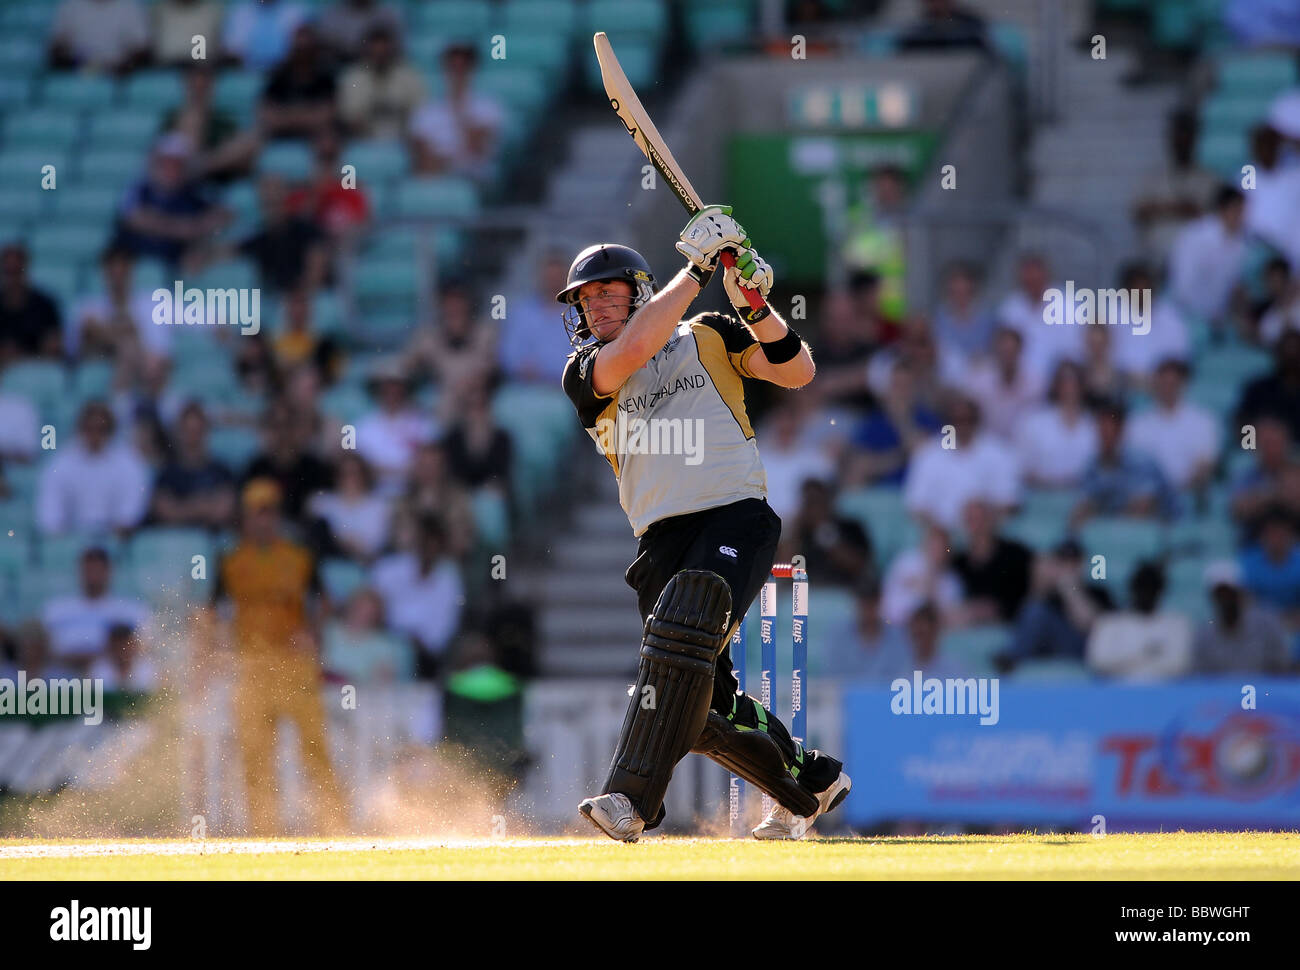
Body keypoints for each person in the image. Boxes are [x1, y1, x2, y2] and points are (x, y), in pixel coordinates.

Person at [557, 210, 850, 842]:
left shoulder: (710, 331)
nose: (596, 306)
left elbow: (797, 370)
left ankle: (628, 803)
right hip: (658, 538)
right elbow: (634, 348)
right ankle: (811, 781)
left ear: (639, 290)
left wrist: (752, 300)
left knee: (685, 630)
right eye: (586, 298)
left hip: (734, 515)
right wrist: (700, 268)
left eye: (609, 291)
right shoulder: (585, 371)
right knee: (699, 703)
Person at [214, 479, 346, 835]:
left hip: (294, 666)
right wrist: (215, 652)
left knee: (315, 749)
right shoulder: (230, 562)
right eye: (257, 513)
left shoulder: (299, 557)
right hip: (252, 667)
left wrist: (313, 633)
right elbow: (211, 611)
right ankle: (264, 832)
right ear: (246, 518)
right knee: (256, 757)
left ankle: (334, 827)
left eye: (269, 512)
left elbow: (326, 601)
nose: (263, 520)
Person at [36, 401, 152, 537]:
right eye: (89, 429)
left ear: (111, 431)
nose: (94, 435)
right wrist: (59, 534)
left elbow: (132, 507)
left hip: (115, 538)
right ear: (80, 430)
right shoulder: (61, 463)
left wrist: (121, 527)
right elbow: (49, 510)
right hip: (71, 538)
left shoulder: (130, 462)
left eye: (101, 429)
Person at [41, 547, 150, 678]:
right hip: (61, 679)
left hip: (111, 681)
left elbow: (142, 649)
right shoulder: (55, 610)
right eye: (88, 570)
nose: (93, 575)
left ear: (108, 572)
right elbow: (42, 650)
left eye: (97, 570)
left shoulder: (131, 611)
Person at [408, 42, 505, 182]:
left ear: (472, 70)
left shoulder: (489, 107)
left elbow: (476, 148)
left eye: (463, 68)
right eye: (452, 68)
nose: (457, 74)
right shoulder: (427, 110)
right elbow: (422, 156)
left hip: (473, 178)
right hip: (438, 175)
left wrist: (458, 106)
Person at [1086, 561, 1193, 681]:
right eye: (1142, 587)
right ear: (1132, 588)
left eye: (1152, 588)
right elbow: (1098, 663)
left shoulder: (1177, 624)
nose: (1146, 593)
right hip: (1118, 693)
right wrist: (1146, 654)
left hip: (1164, 692)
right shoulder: (1109, 623)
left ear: (1160, 590)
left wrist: (1126, 662)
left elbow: (1180, 665)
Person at [1192, 561, 1292, 674]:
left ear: (1241, 593)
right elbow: (1200, 679)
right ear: (1212, 598)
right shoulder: (1204, 634)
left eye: (1230, 594)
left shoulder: (1268, 625)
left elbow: (1282, 669)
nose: (1226, 600)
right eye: (1220, 595)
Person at [151, 401, 236, 530]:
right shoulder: (167, 473)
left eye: (198, 431)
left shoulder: (221, 471)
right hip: (177, 542)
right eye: (188, 431)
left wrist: (182, 508)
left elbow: (223, 511)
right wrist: (201, 506)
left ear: (206, 432)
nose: (193, 437)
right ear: (179, 432)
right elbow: (165, 512)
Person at [776, 477, 873, 588]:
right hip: (807, 592)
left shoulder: (850, 527)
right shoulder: (799, 534)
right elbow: (783, 574)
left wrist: (825, 533)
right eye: (808, 502)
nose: (813, 508)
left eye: (817, 501)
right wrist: (795, 532)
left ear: (828, 501)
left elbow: (859, 567)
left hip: (843, 592)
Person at [48, 0, 150, 74]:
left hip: (119, 75)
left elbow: (141, 50)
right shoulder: (69, 6)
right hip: (78, 75)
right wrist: (78, 64)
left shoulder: (130, 6)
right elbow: (57, 49)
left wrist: (121, 65)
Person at [0, 243, 62, 363]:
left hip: (37, 373)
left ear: (26, 269)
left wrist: (21, 357)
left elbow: (55, 348)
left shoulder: (45, 305)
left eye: (17, 271)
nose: (12, 278)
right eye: (8, 271)